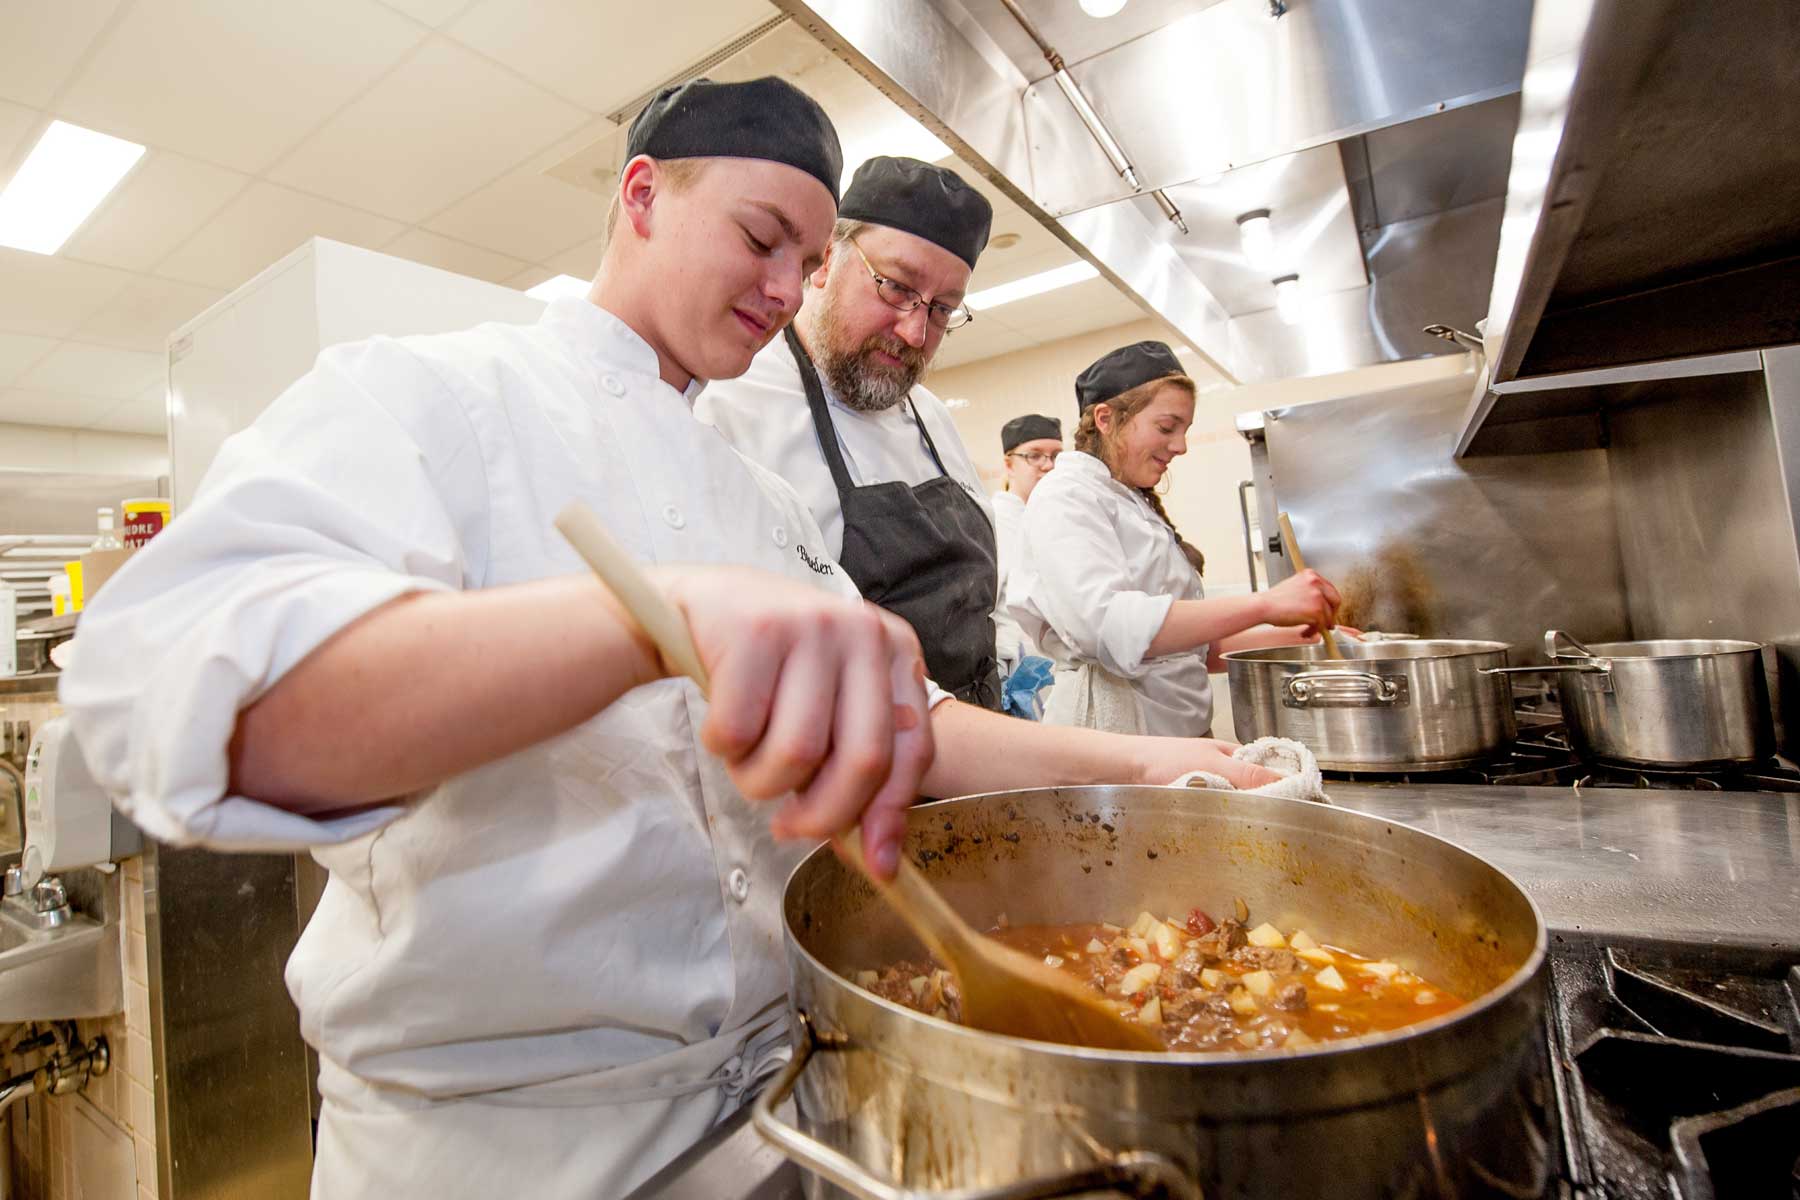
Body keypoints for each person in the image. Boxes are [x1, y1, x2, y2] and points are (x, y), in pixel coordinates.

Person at [58, 83, 1274, 1200]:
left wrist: (1154, 771)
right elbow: (176, 699)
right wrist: (644, 624)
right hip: (498, 1150)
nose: (788, 290)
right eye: (760, 240)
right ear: (641, 194)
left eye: (806, 261)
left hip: (772, 1110)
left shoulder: (760, 493)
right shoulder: (428, 397)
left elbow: (916, 722)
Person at [696, 156, 1004, 709]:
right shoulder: (734, 408)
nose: (914, 332)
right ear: (825, 261)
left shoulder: (933, 416)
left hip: (977, 744)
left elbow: (980, 601)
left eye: (942, 311)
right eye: (895, 287)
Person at [1014, 340, 1347, 737]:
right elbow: (1110, 629)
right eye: (1166, 427)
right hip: (1117, 743)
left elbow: (1190, 647)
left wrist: (1298, 638)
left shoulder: (1130, 501)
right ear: (1105, 418)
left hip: (1174, 739)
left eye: (1185, 430)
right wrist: (1265, 604)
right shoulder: (1066, 495)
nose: (1181, 446)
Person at [991, 414, 1062, 712]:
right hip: (1017, 670)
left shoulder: (1054, 518)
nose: (1048, 465)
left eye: (1057, 456)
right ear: (1009, 464)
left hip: (1059, 668)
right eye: (1034, 456)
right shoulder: (996, 518)